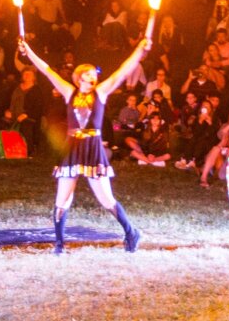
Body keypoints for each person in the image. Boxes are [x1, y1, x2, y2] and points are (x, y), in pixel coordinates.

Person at [19, 35, 148, 254]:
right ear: (80, 77)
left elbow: (123, 71)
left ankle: (131, 232)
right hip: (73, 149)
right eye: (89, 73)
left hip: (93, 149)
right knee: (62, 199)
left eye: (94, 74)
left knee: (106, 199)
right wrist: (28, 51)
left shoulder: (102, 93)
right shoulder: (69, 91)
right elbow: (46, 70)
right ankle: (59, 245)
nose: (94, 76)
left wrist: (140, 49)